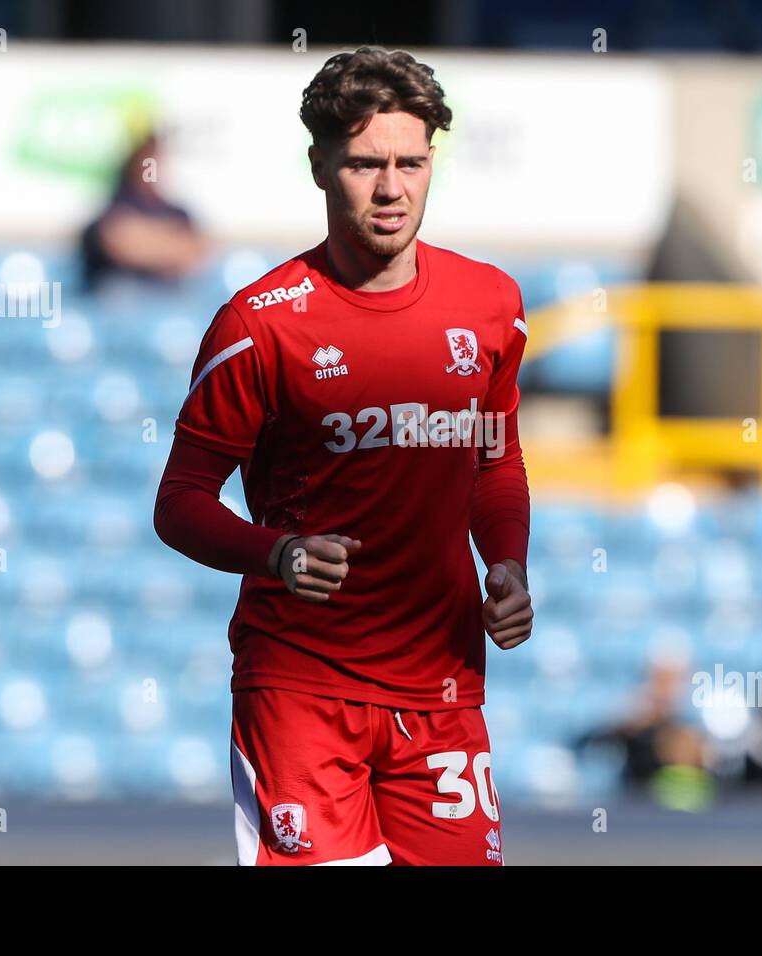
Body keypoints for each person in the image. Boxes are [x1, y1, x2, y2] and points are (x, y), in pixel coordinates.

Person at [153, 47, 533, 866]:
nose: (391, 187)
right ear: (321, 167)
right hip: (302, 689)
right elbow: (179, 502)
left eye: (411, 162)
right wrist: (278, 554)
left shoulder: (492, 304)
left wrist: (507, 564)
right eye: (365, 163)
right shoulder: (260, 325)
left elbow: (495, 460)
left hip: (442, 690)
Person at [80, 130, 210, 290]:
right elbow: (119, 244)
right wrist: (170, 244)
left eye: (156, 160)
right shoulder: (114, 209)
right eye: (146, 160)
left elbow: (197, 252)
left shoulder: (178, 213)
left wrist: (146, 242)